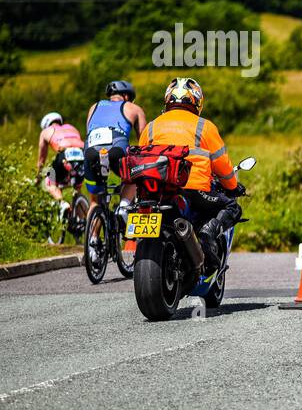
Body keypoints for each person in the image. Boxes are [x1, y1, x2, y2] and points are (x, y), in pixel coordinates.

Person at [139, 78, 241, 271]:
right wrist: (233, 187)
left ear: (168, 100)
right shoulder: (204, 126)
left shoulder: (151, 126)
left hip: (154, 192)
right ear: (197, 101)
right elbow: (223, 167)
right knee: (232, 206)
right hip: (192, 189)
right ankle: (207, 234)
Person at [83, 80, 148, 211]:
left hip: (91, 149)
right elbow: (144, 141)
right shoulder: (133, 108)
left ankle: (93, 231)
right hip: (117, 147)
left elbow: (88, 131)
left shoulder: (94, 106)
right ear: (127, 96)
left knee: (95, 202)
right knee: (135, 176)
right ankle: (123, 206)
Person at [36, 112, 85, 214]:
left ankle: (63, 204)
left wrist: (38, 176)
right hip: (83, 154)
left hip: (65, 155)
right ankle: (83, 222)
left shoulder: (46, 131)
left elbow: (41, 159)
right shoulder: (71, 127)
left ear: (46, 124)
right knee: (77, 188)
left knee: (49, 182)